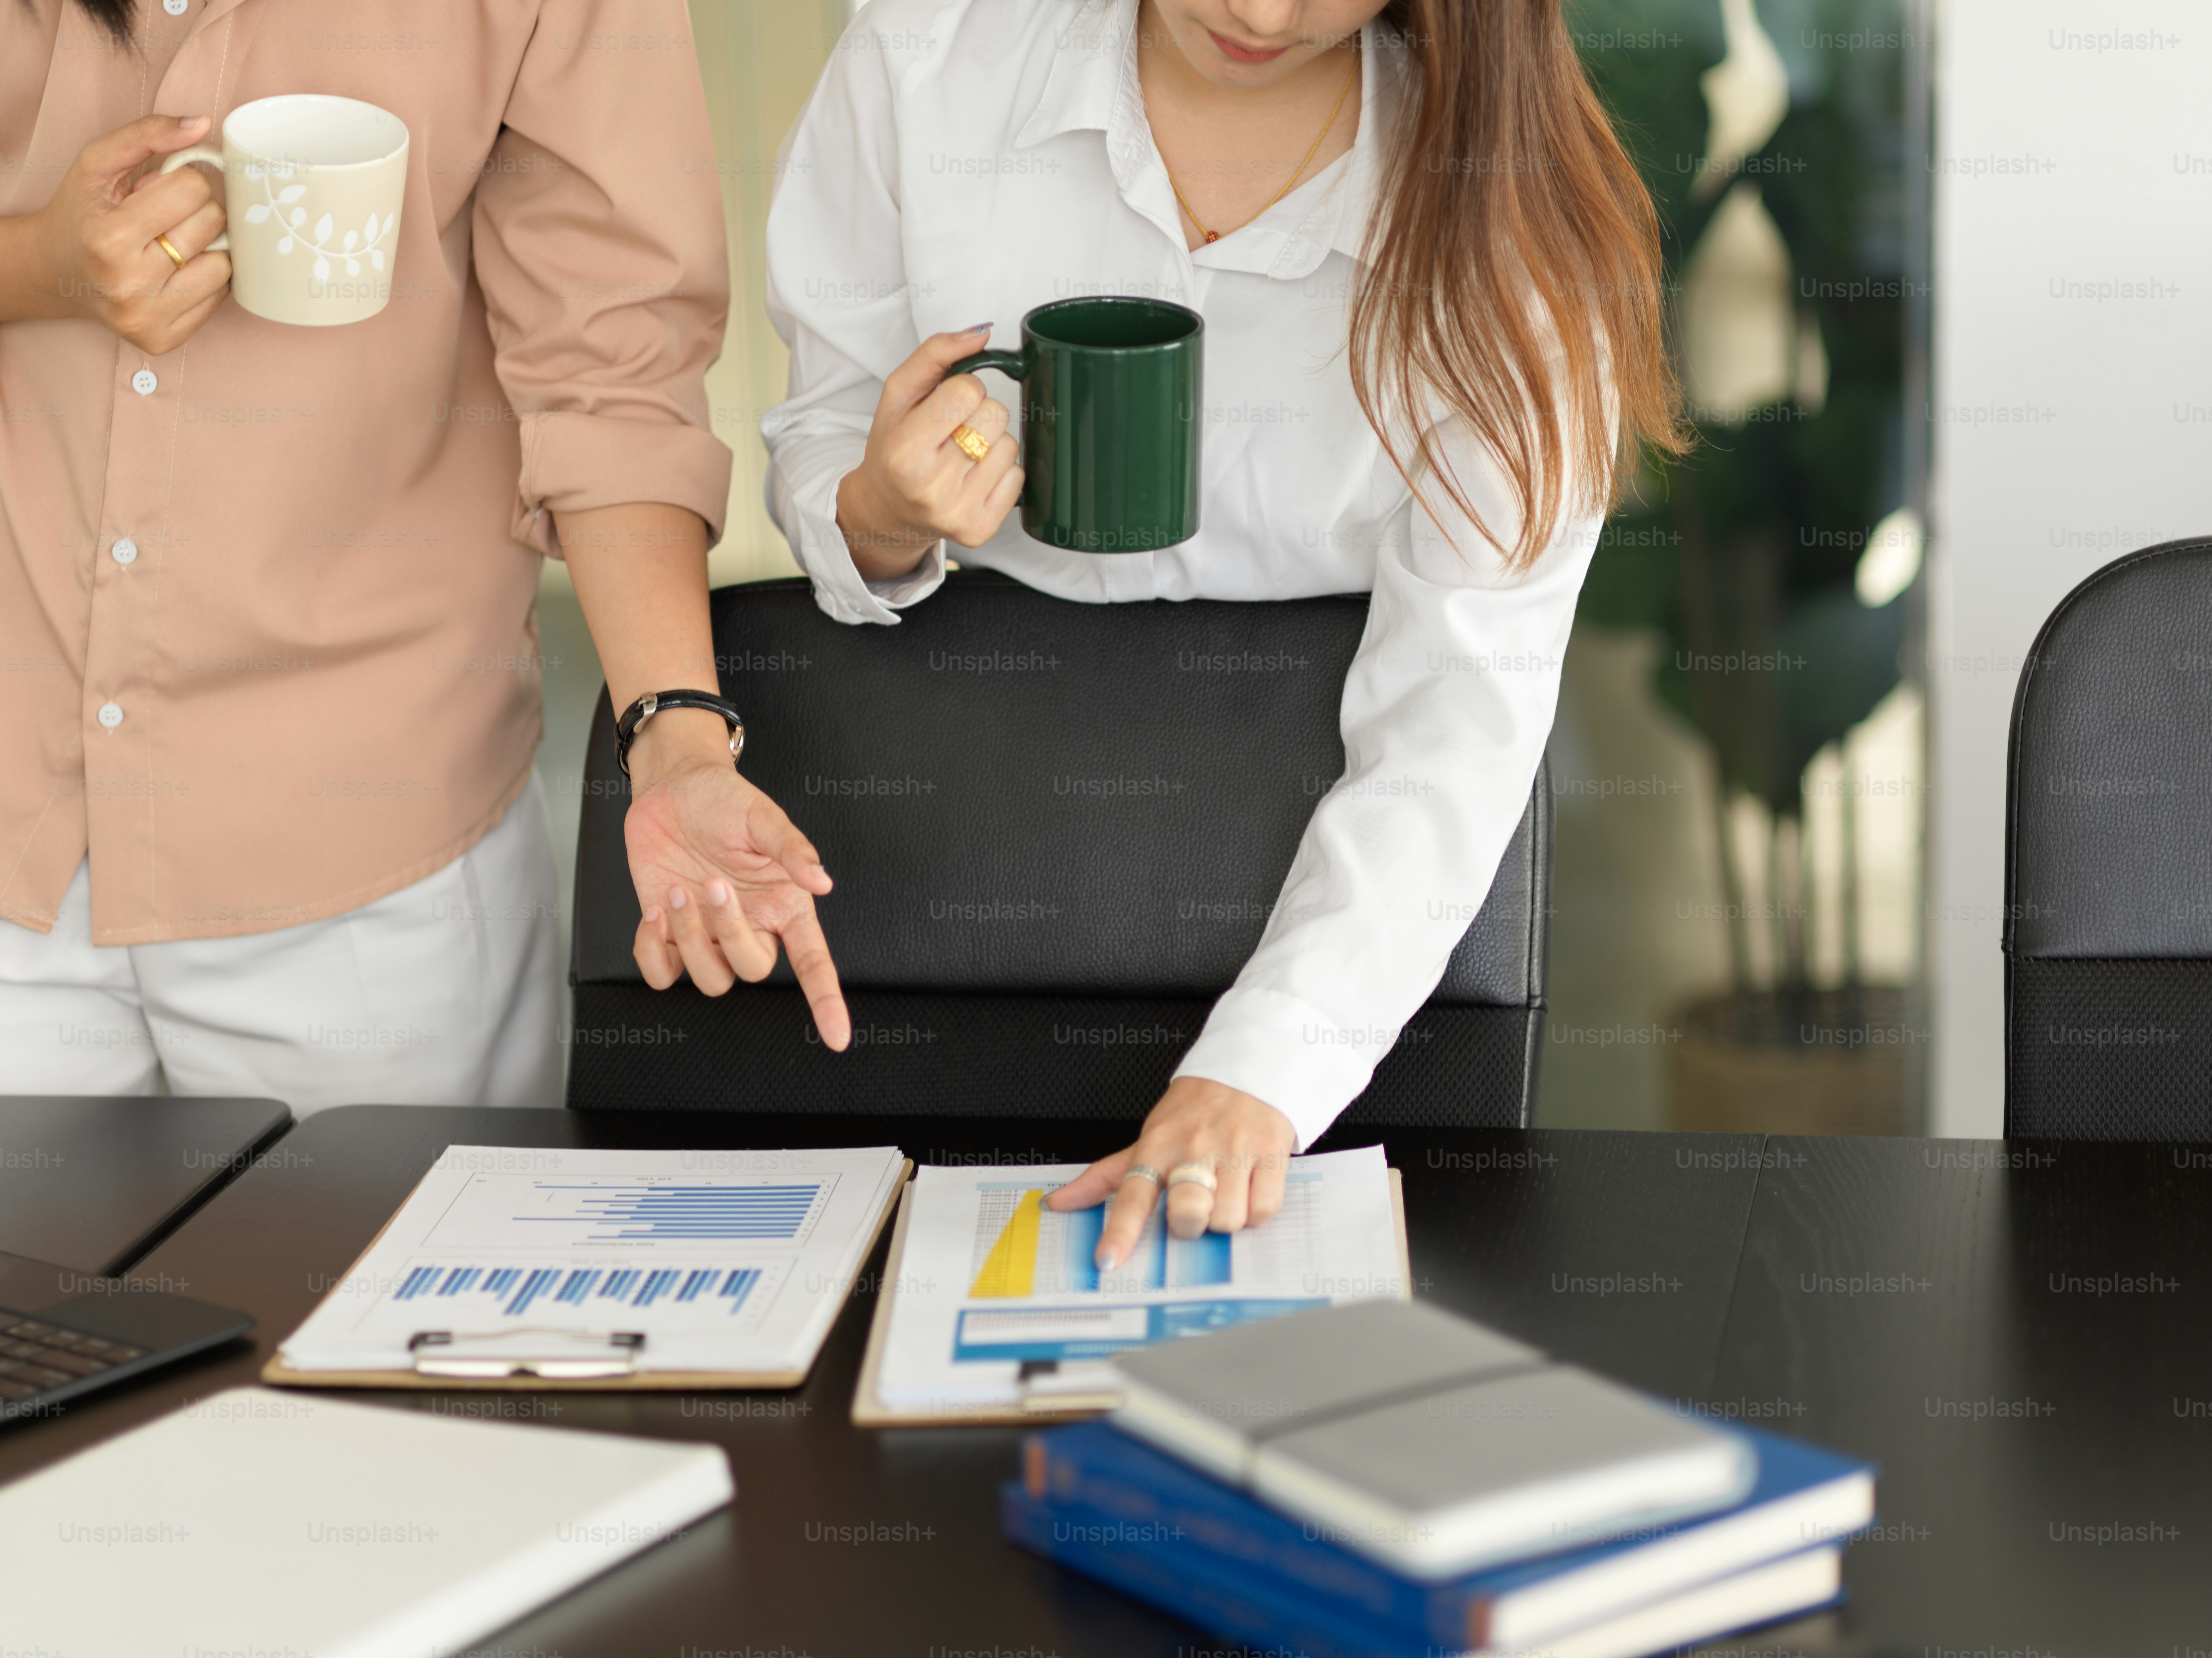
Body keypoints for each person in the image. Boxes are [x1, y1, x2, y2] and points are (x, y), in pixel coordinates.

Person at [762, 0, 1681, 1262]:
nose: (1258, 13)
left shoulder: (1514, 224)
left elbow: (1460, 712)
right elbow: (819, 428)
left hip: (1341, 906)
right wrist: (875, 514)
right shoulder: (923, 60)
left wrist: (1267, 1066)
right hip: (934, 849)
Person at [0, 0, 849, 1113]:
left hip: (369, 836)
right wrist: (37, 270)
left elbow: (611, 363)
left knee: (378, 1281)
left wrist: (676, 736)